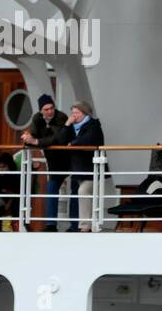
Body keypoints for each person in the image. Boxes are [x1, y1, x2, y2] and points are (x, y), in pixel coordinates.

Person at [20, 94, 70, 231]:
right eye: (46, 109)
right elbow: (34, 135)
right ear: (41, 111)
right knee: (51, 188)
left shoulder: (61, 117)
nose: (50, 111)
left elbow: (57, 139)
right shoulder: (37, 118)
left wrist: (35, 141)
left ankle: (77, 226)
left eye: (52, 108)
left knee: (76, 190)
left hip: (70, 158)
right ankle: (50, 225)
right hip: (54, 160)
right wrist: (27, 138)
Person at [63, 99, 105, 232]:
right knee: (80, 193)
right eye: (72, 113)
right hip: (78, 169)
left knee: (83, 191)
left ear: (84, 113)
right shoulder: (73, 127)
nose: (73, 115)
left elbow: (88, 139)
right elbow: (60, 139)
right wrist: (67, 124)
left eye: (76, 112)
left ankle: (85, 227)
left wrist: (73, 144)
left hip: (92, 169)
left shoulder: (93, 125)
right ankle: (87, 225)